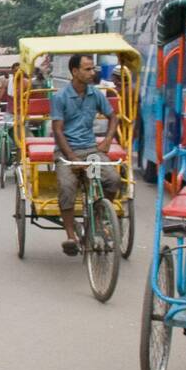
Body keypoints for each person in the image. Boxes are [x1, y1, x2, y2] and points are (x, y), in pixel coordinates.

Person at [52, 53, 121, 257]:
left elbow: (113, 116)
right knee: (66, 187)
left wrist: (107, 140)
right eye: (88, 69)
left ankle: (98, 218)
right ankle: (71, 236)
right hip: (67, 152)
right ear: (75, 72)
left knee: (113, 180)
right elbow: (57, 130)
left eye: (93, 69)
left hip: (91, 151)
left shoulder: (96, 94)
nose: (93, 73)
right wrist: (71, 157)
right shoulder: (60, 97)